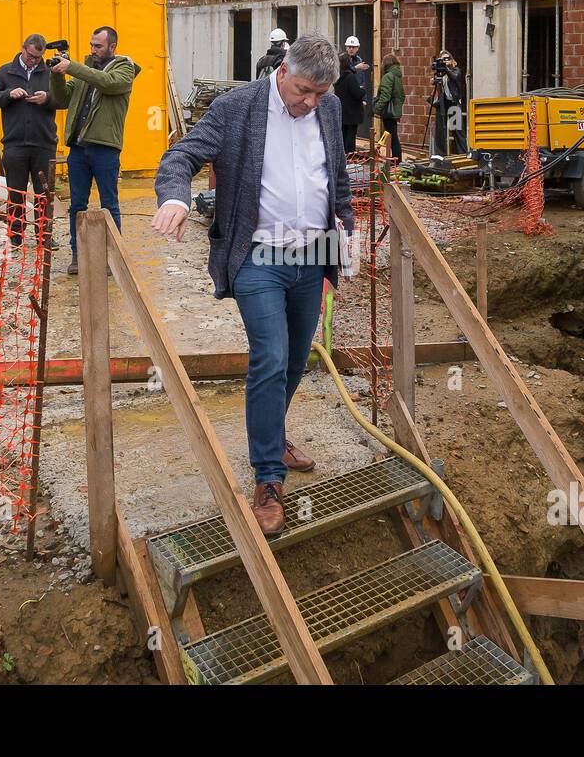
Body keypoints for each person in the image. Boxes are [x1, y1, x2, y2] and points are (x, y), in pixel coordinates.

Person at [151, 34, 354, 535]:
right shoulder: (236, 107)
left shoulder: (326, 110)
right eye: (303, 90)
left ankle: (273, 432)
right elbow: (180, 159)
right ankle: (268, 477)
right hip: (258, 256)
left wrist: (345, 229)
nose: (310, 103)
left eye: (320, 95)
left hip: (313, 255)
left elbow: (338, 175)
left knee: (294, 357)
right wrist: (175, 198)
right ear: (283, 71)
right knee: (269, 354)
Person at [49, 26, 142, 275]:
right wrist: (57, 73)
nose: (93, 49)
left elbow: (108, 83)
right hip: (78, 149)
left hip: (105, 149)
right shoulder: (84, 72)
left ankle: (113, 258)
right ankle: (78, 256)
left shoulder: (124, 69)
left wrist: (73, 67)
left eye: (98, 45)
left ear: (113, 47)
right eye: (91, 44)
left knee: (109, 205)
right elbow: (61, 99)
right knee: (77, 205)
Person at [0, 33, 59, 249]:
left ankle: (44, 236)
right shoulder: (6, 71)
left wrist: (47, 99)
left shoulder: (50, 72)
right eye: (31, 55)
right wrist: (8, 94)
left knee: (44, 193)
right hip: (15, 144)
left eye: (38, 57)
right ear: (23, 48)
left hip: (43, 143)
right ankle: (16, 236)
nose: (34, 60)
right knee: (16, 192)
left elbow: (64, 100)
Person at [429, 49, 467, 156]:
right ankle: (440, 154)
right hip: (444, 103)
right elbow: (437, 83)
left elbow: (455, 77)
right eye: (442, 60)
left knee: (457, 129)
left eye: (446, 59)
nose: (444, 61)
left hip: (454, 103)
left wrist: (446, 69)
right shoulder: (442, 73)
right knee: (440, 130)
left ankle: (462, 154)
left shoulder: (455, 70)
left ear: (451, 60)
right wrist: (435, 79)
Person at [374, 54, 405, 161]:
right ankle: (396, 159)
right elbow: (402, 95)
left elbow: (385, 96)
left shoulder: (388, 76)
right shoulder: (397, 75)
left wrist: (376, 109)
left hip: (388, 112)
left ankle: (396, 161)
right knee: (393, 136)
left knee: (393, 138)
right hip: (394, 111)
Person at [333, 51, 365, 155]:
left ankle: (343, 158)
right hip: (352, 113)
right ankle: (349, 159)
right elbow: (357, 94)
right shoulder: (350, 77)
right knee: (350, 137)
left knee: (343, 135)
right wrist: (362, 90)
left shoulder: (338, 77)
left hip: (342, 112)